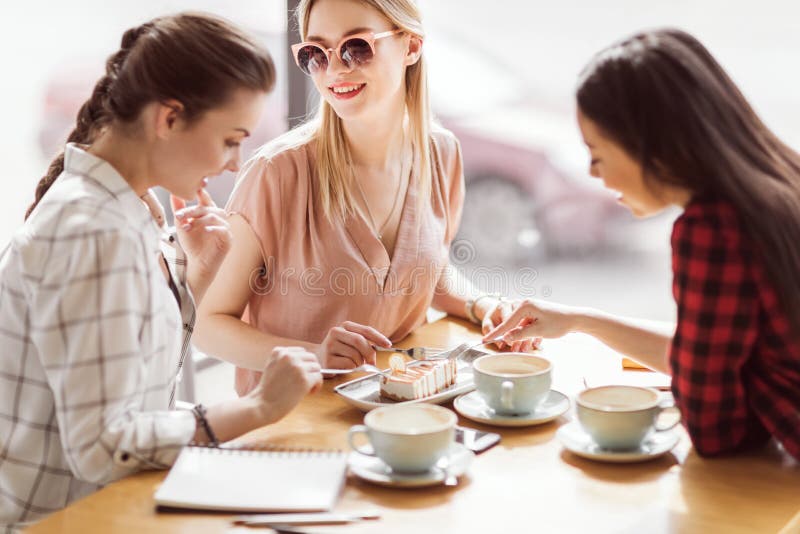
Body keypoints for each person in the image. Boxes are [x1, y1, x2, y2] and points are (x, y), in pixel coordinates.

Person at [0, 14, 322, 530]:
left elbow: (129, 381)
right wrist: (259, 407)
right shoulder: (92, 233)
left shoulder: (129, 208)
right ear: (169, 118)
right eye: (230, 139)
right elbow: (104, 448)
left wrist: (197, 275)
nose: (235, 164)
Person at [486, 29, 800, 460]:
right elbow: (707, 352)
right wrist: (580, 321)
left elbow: (716, 433)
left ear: (646, 142)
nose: (594, 174)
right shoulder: (783, 183)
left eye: (596, 153)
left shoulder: (712, 229)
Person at [194, 0, 534, 397]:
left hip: (404, 410)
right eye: (315, 54)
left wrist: (484, 306)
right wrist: (312, 354)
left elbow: (424, 272)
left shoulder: (442, 153)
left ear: (411, 47)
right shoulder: (277, 173)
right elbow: (208, 325)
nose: (336, 70)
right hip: (293, 425)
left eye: (356, 47)